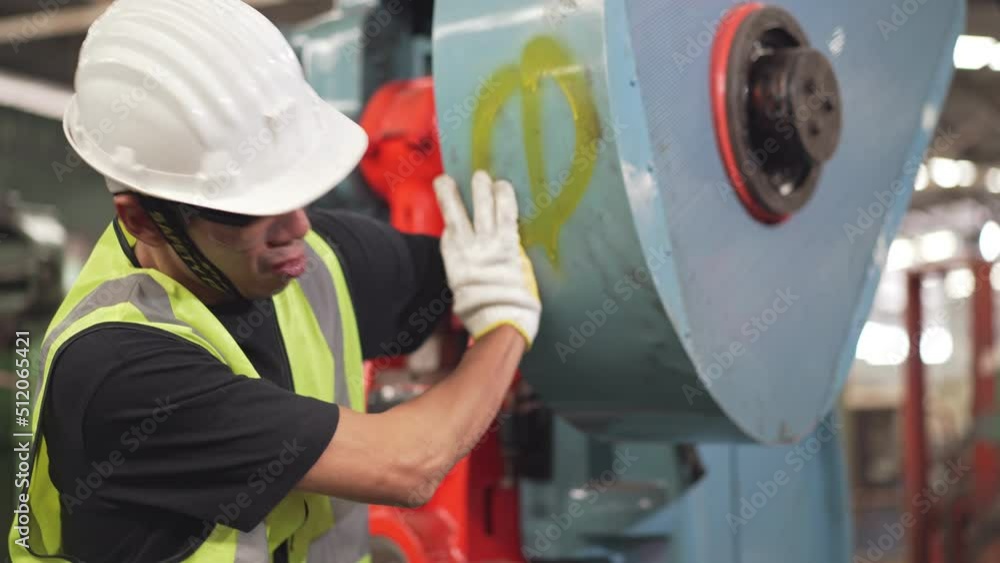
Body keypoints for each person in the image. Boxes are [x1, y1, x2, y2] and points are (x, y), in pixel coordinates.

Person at [6, 0, 541, 562]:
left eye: (295, 192)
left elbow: (482, 271)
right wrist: (505, 327)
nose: (297, 228)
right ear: (143, 220)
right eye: (250, 210)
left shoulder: (315, 257)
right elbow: (408, 464)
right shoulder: (119, 371)